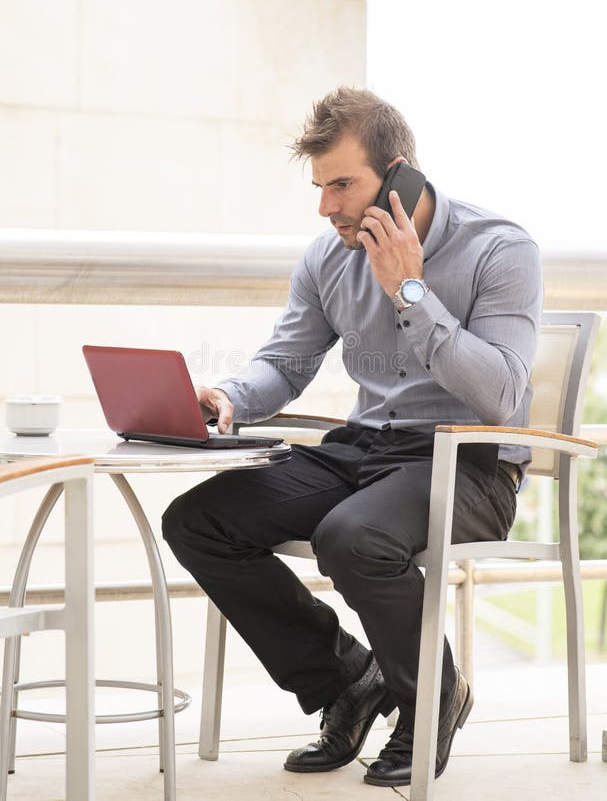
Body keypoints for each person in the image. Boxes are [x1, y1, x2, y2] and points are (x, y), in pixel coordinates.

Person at [162, 86, 543, 787]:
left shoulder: (500, 249)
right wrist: (228, 397)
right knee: (199, 519)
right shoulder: (326, 257)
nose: (325, 206)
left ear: (399, 175)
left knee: (351, 536)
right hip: (362, 451)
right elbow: (287, 362)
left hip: (468, 464)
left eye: (341, 184)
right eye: (319, 186)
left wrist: (410, 292)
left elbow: (500, 394)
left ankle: (429, 697)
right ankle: (346, 677)